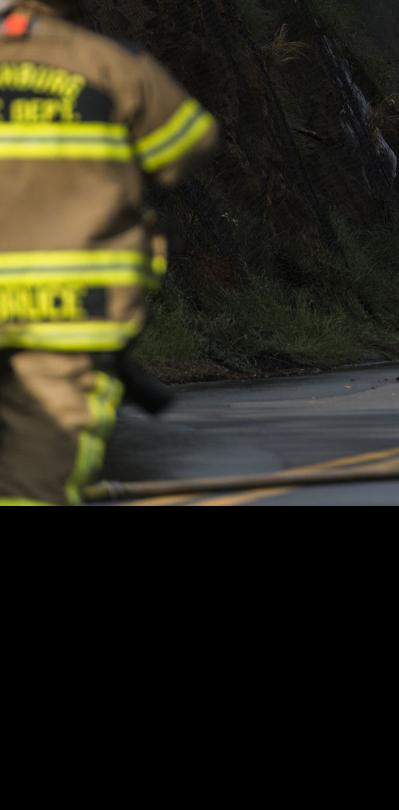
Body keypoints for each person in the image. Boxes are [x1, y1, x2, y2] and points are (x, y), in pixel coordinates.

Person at [1, 0, 218, 505]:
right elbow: (187, 146)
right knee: (39, 477)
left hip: (70, 316)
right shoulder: (108, 63)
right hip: (70, 313)